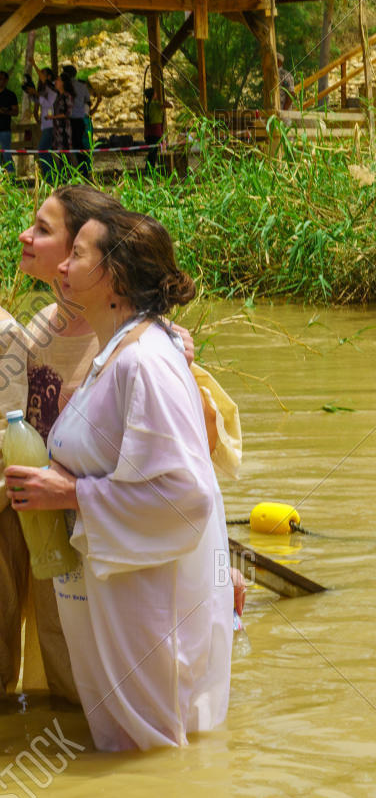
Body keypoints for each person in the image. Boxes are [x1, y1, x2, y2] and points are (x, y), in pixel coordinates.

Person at [0, 187, 242, 703]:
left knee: (111, 682)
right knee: (66, 679)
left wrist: (221, 568)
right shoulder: (36, 331)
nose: (25, 237)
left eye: (44, 230)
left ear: (87, 254)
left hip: (111, 542)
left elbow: (189, 467)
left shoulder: (140, 344)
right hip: (53, 532)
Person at [61, 65, 92, 177]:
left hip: (67, 120)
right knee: (79, 146)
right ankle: (84, 172)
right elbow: (88, 101)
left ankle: (66, 173)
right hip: (79, 120)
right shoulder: (82, 86)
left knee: (65, 146)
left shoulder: (64, 86)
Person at [143, 86, 166, 169]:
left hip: (148, 132)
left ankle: (149, 168)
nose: (156, 94)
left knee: (151, 152)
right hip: (155, 131)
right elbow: (169, 105)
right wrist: (163, 103)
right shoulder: (156, 104)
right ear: (153, 95)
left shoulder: (146, 105)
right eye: (155, 93)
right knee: (153, 153)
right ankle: (150, 169)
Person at [0, 71, 17, 176]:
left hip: (4, 130)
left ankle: (12, 178)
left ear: (6, 81)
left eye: (1, 79)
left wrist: (5, 111)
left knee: (6, 154)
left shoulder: (10, 95)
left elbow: (16, 112)